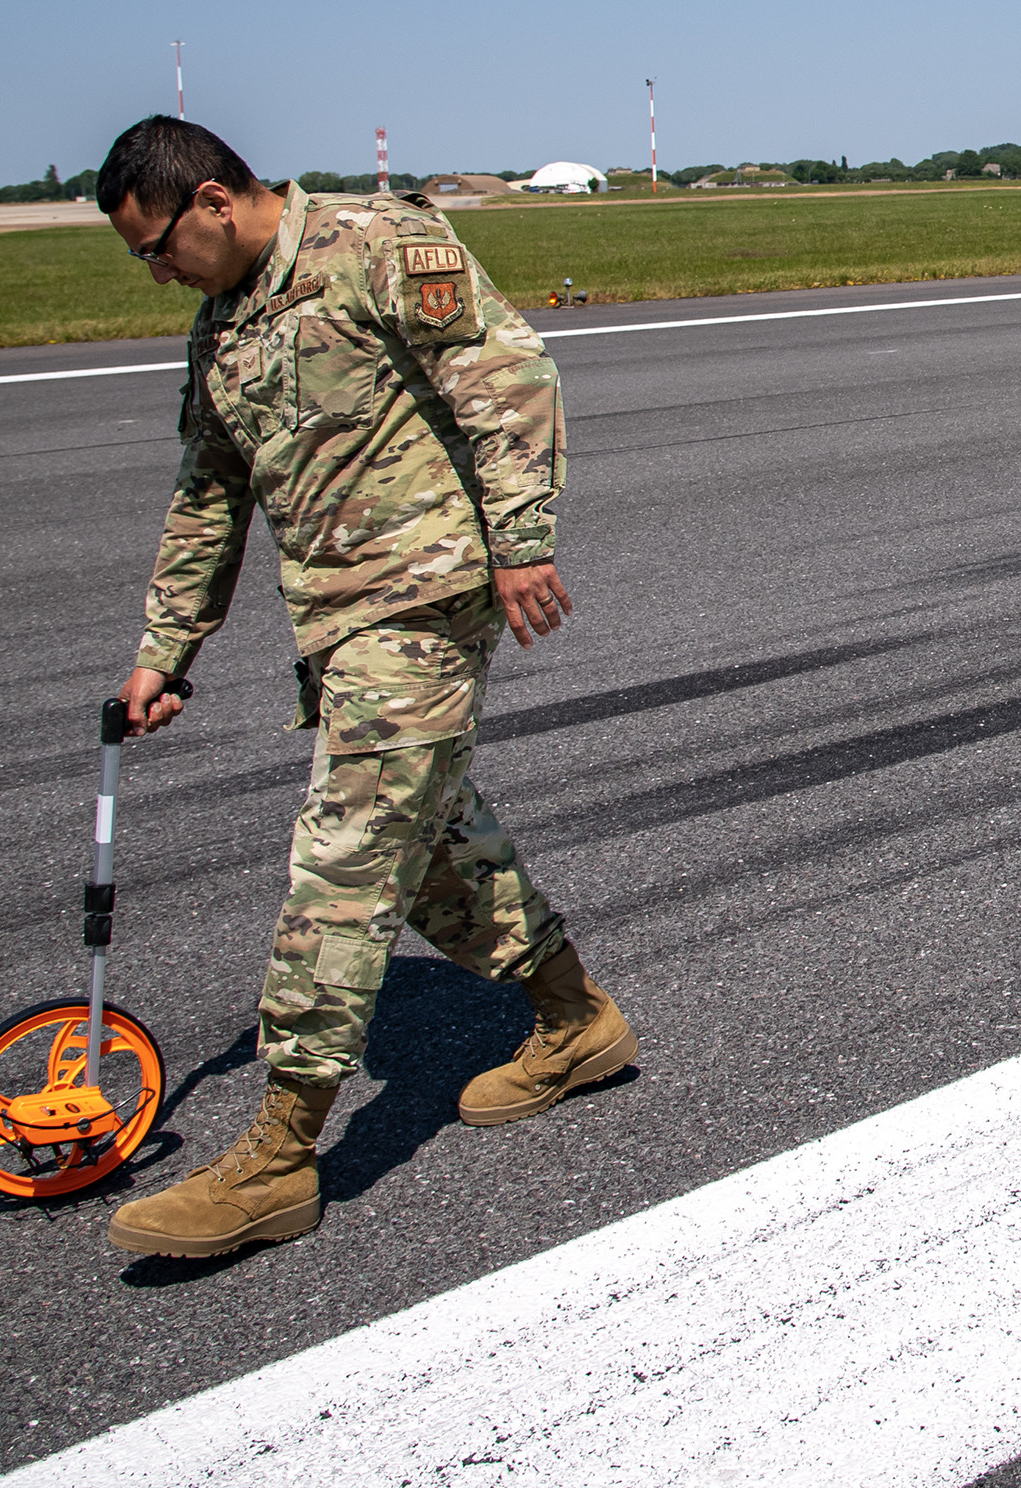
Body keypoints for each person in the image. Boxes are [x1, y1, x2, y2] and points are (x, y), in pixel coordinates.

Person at [92, 115, 632, 1259]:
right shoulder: (221, 328)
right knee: (433, 848)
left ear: (211, 202)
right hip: (335, 624)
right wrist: (165, 648)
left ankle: (279, 1158)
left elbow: (508, 373)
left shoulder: (376, 242)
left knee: (343, 859)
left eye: (156, 246)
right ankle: (577, 1021)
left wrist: (522, 538)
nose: (152, 270)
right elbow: (206, 495)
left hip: (428, 597)